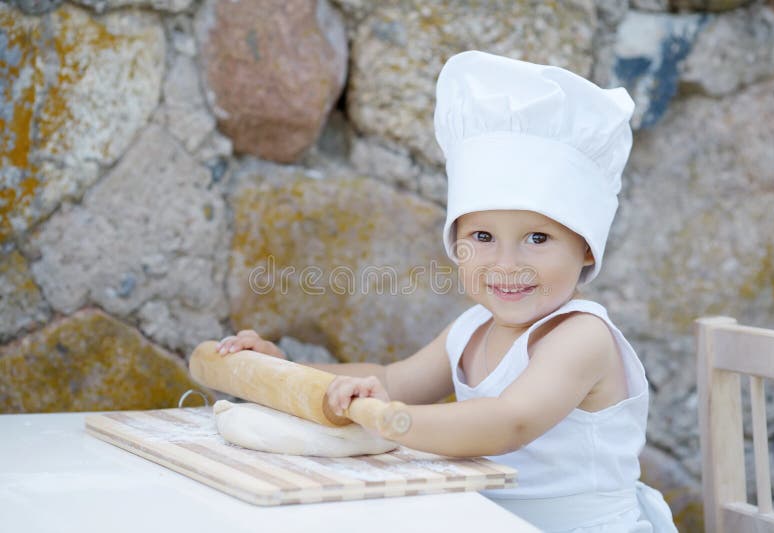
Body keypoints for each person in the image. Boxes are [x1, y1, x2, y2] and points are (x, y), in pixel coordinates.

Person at [216, 51, 678, 532]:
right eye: (482, 237)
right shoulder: (472, 329)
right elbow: (389, 381)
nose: (507, 264)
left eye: (538, 238)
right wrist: (281, 368)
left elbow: (509, 422)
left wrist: (395, 422)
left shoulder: (580, 336)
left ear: (586, 248)